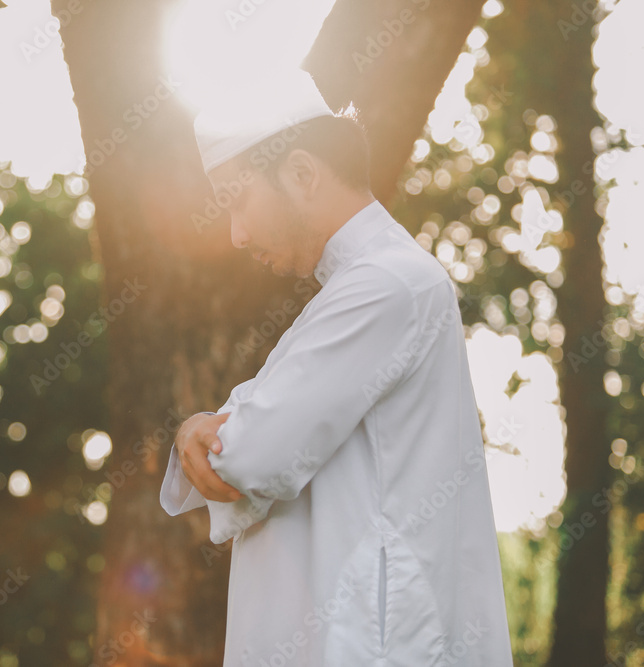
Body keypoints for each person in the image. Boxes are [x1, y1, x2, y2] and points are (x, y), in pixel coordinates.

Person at [159, 68, 514, 666]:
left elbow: (247, 454)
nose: (237, 235)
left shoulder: (386, 284)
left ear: (301, 173)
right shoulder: (366, 285)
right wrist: (203, 425)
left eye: (238, 201)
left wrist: (208, 424)